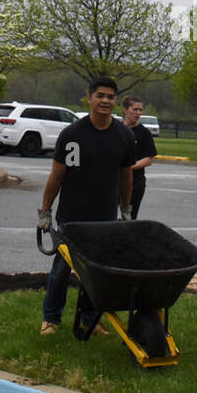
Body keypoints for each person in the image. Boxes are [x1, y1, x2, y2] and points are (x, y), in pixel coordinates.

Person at [37, 76, 136, 337]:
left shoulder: (123, 136)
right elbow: (57, 176)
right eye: (100, 96)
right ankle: (51, 319)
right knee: (60, 271)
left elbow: (126, 176)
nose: (105, 100)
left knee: (97, 274)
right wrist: (45, 211)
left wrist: (126, 209)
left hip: (104, 218)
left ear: (115, 102)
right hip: (72, 218)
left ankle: (91, 320)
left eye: (110, 97)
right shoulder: (73, 135)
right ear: (89, 99)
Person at [121, 95, 158, 219]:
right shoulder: (117, 130)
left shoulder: (143, 133)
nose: (138, 113)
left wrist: (129, 167)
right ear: (125, 110)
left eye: (140, 110)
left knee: (129, 216)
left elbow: (149, 159)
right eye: (134, 109)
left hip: (135, 182)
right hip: (115, 180)